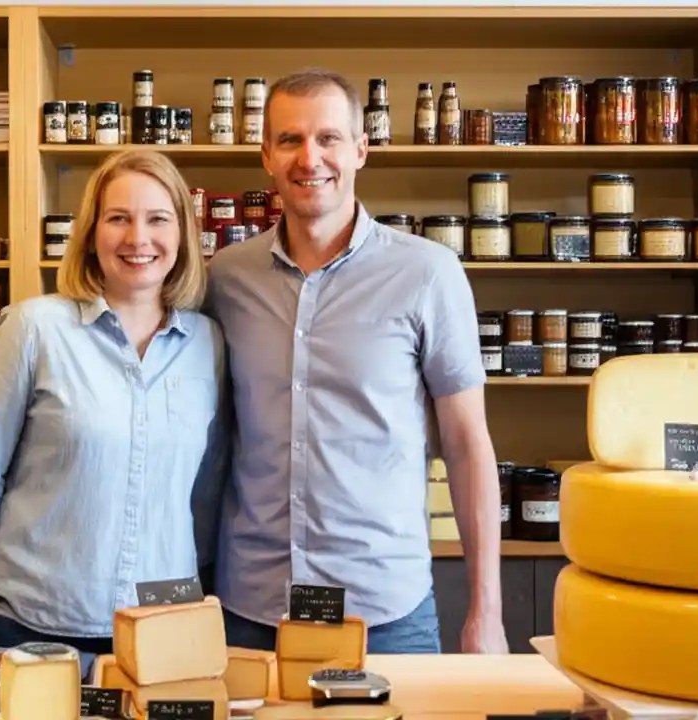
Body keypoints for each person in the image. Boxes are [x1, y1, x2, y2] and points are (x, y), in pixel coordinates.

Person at [204, 68, 508, 654]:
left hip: (385, 612)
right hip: (249, 611)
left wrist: (486, 613)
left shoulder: (427, 274)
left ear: (361, 149)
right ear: (266, 155)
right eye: (289, 140)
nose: (309, 158)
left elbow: (468, 446)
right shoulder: (226, 279)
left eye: (328, 138)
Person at [0, 149, 228, 676]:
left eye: (157, 219)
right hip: (33, 626)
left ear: (183, 234)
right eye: (118, 218)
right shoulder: (34, 328)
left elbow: (206, 492)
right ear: (91, 233)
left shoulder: (208, 343)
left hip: (164, 627)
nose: (138, 238)